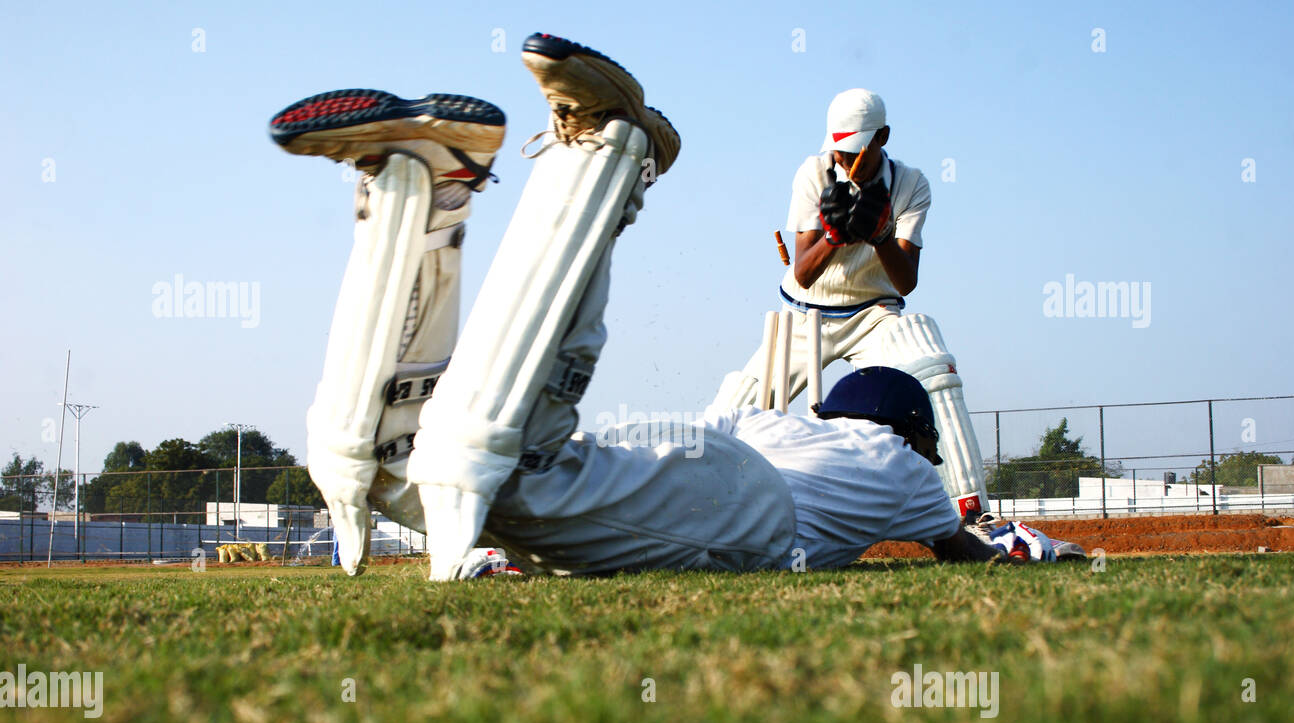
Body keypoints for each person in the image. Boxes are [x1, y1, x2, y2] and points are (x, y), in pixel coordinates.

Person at [271, 34, 1064, 579]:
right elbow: (967, 550)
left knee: (399, 464)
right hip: (750, 509)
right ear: (912, 438)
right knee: (515, 463)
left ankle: (425, 189)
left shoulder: (790, 423)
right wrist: (1023, 543)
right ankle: (609, 152)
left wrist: (878, 228)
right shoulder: (905, 472)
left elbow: (710, 424)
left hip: (725, 447)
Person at [712, 88, 990, 522]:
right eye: (839, 151)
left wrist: (880, 236)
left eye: (855, 151)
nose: (844, 160)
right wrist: (834, 237)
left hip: (875, 314)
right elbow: (803, 271)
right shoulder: (814, 173)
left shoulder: (911, 183)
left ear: (883, 137)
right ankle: (690, 507)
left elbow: (906, 281)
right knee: (739, 407)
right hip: (806, 315)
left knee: (934, 367)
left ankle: (974, 517)